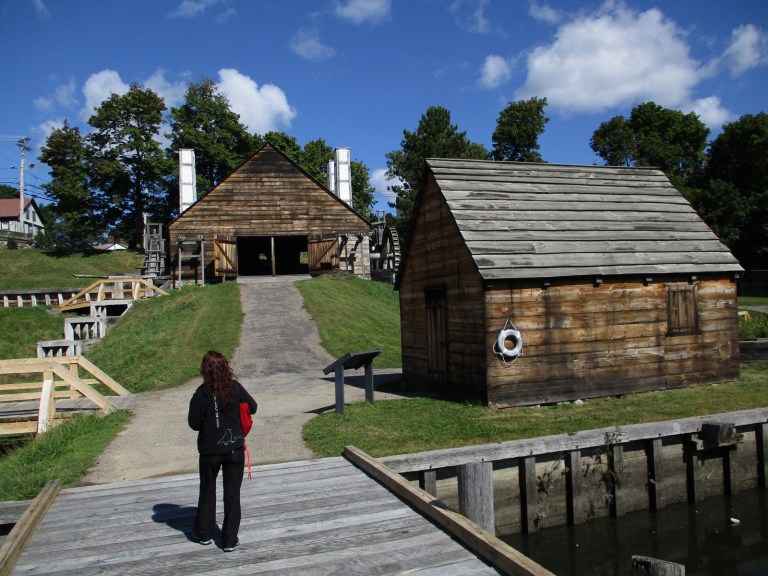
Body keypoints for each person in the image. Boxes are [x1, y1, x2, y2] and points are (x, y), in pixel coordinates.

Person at [188, 350, 257, 551]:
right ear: (226, 367)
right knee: (232, 494)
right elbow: (252, 407)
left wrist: (210, 421)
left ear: (204, 370)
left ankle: (204, 533)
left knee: (208, 491)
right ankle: (229, 539)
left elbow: (193, 423)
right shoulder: (234, 388)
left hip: (210, 451)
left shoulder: (201, 393)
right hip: (234, 448)